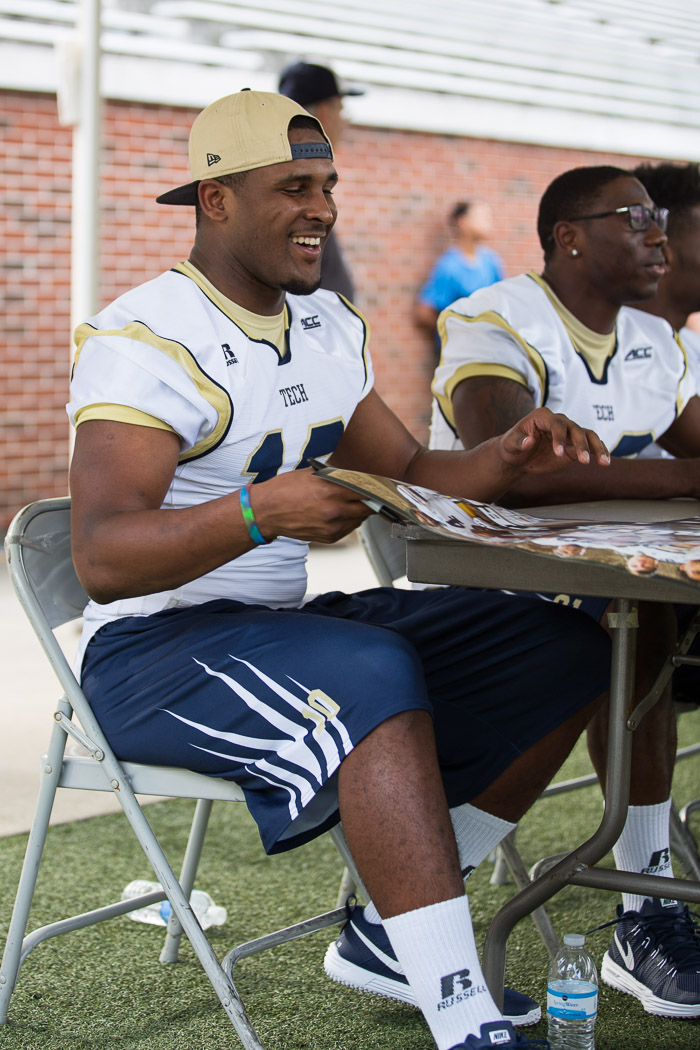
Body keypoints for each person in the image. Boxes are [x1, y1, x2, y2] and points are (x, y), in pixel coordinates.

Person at [67, 91, 612, 1050]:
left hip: (282, 634)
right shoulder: (145, 337)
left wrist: (511, 455)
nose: (322, 207)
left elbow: (412, 474)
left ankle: (394, 938)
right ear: (216, 200)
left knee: (565, 642)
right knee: (368, 671)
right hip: (149, 655)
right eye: (293, 187)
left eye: (327, 186)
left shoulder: (326, 327)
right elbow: (102, 556)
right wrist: (256, 511)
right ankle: (461, 1014)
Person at [428, 164, 700, 1019]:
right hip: (487, 591)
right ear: (569, 235)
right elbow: (516, 469)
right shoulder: (492, 316)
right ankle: (643, 906)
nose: (660, 235)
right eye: (638, 218)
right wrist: (680, 476)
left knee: (637, 613)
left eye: (663, 219)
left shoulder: (655, 341)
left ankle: (642, 896)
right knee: (624, 623)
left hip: (601, 586)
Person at [278, 60, 361, 301]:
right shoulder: (294, 176)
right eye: (341, 109)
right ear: (324, 111)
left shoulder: (285, 172)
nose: (344, 121)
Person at [415, 201, 505, 350]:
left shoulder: (491, 261)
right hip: (459, 354)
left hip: (488, 350)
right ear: (462, 222)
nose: (488, 221)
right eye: (480, 216)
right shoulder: (449, 266)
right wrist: (460, 331)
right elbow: (424, 312)